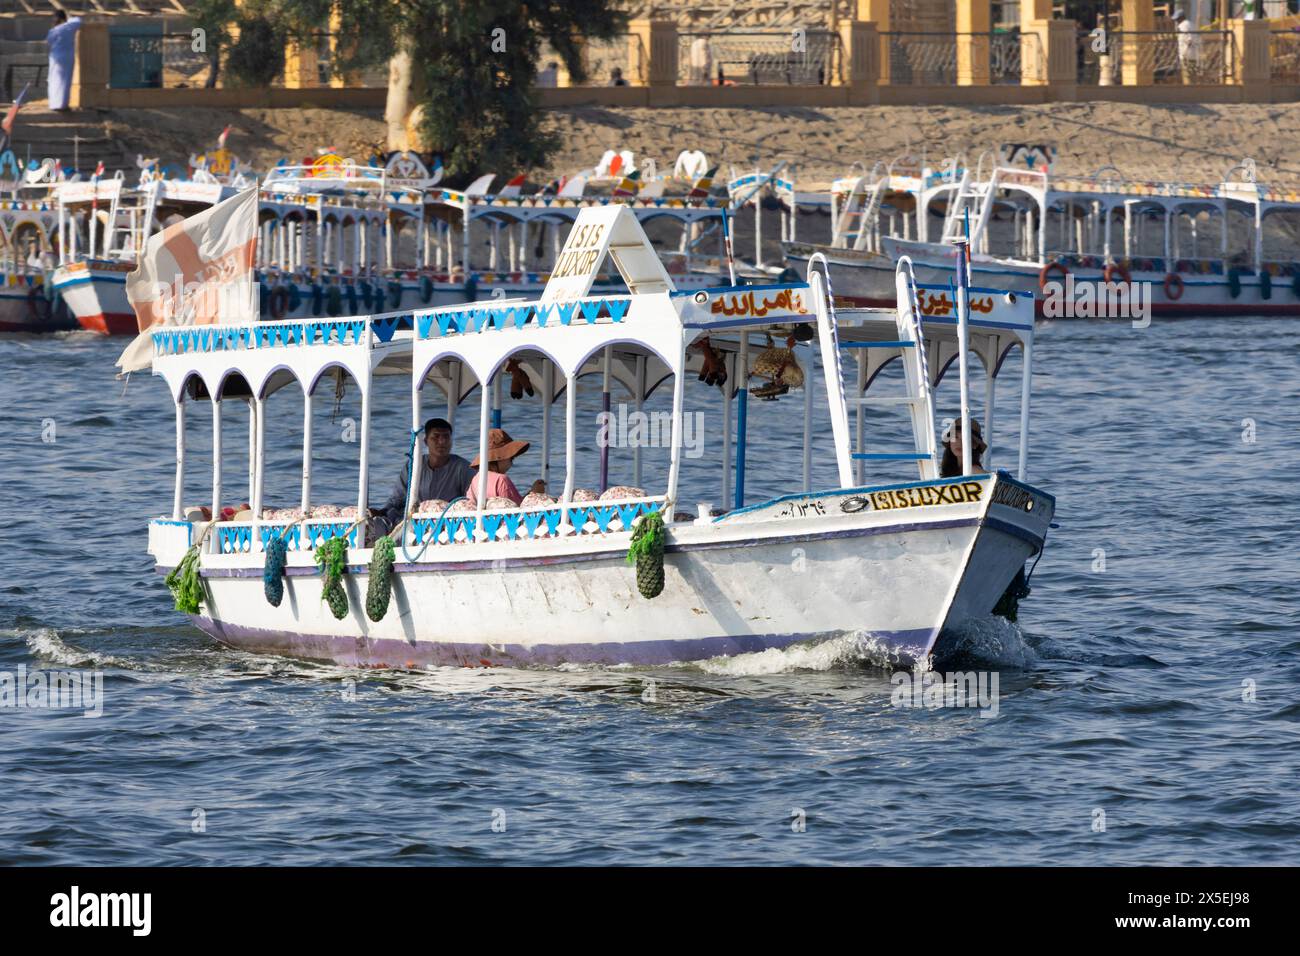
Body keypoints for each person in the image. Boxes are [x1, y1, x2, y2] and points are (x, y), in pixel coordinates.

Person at [371, 418, 473, 532]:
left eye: (446, 437)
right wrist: (381, 512)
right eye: (436, 437)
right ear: (425, 441)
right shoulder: (413, 465)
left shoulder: (463, 467)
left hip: (448, 525)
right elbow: (398, 498)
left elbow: (471, 499)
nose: (441, 442)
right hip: (414, 523)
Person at [464, 428, 534, 508]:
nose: (512, 463)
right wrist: (534, 493)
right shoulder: (501, 479)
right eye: (511, 458)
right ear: (498, 458)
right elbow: (518, 508)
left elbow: (470, 504)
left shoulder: (476, 479)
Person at [46, 11, 82, 112]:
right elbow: (79, 20)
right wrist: (69, 17)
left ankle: (54, 104)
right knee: (65, 81)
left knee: (53, 81)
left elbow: (49, 42)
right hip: (67, 57)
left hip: (55, 57)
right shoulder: (70, 26)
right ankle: (63, 104)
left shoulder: (53, 30)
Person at [1173, 9, 1201, 84]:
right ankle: (1193, 91)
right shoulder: (1191, 24)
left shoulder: (1183, 26)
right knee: (1192, 75)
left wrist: (1184, 53)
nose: (1176, 21)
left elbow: (1189, 39)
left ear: (1181, 18)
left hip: (1187, 55)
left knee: (1187, 76)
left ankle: (1190, 92)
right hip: (1194, 54)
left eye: (1177, 19)